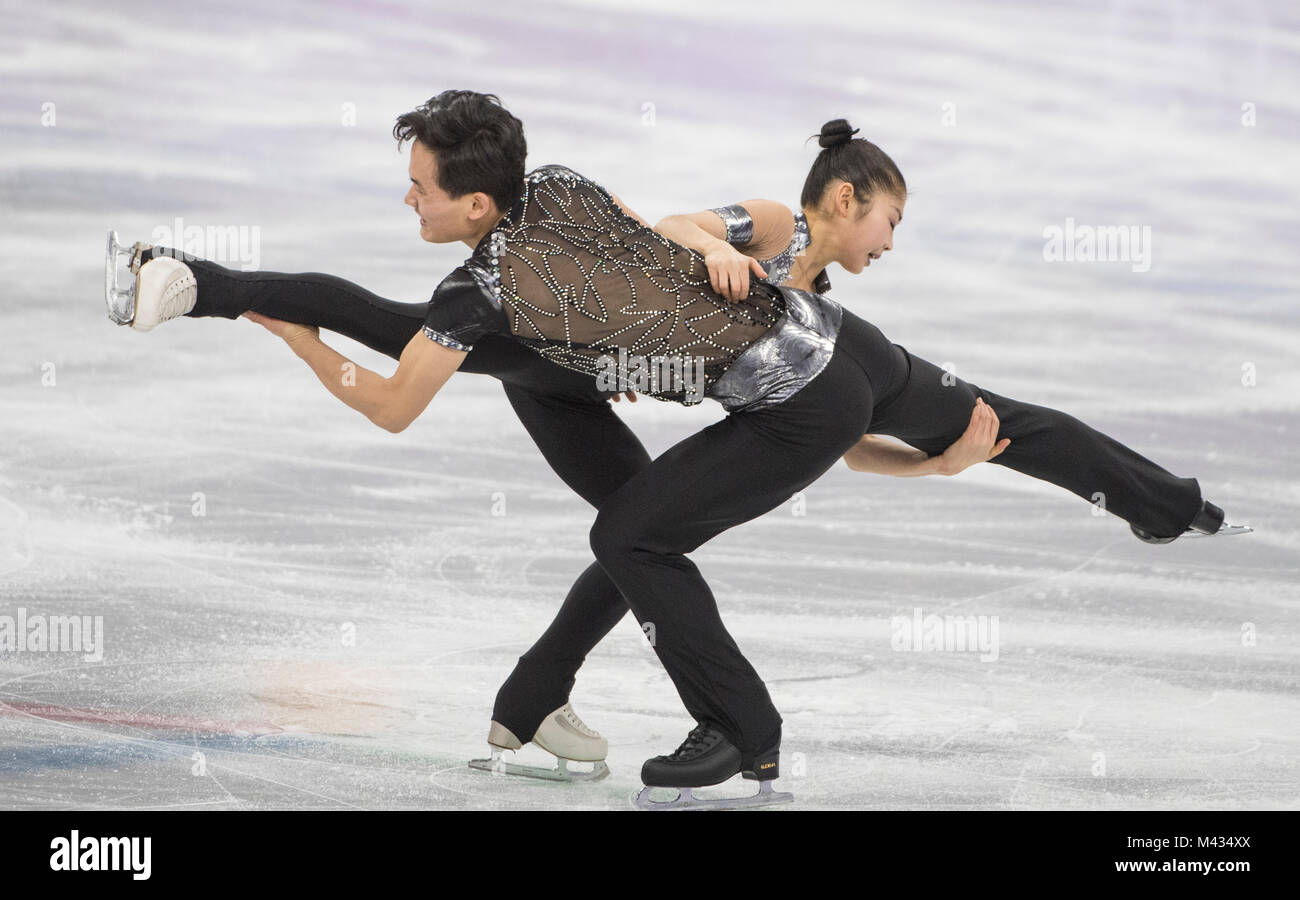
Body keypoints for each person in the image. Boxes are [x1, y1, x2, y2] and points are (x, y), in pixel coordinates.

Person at [112, 91, 1241, 807]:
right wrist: (709, 252)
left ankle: (746, 731)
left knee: (630, 529)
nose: (405, 196)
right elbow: (655, 235)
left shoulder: (479, 285)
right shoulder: (552, 186)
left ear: (471, 205)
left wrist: (292, 336)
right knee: (1013, 422)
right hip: (840, 347)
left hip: (793, 397)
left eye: (418, 187)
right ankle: (1163, 501)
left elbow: (392, 402)